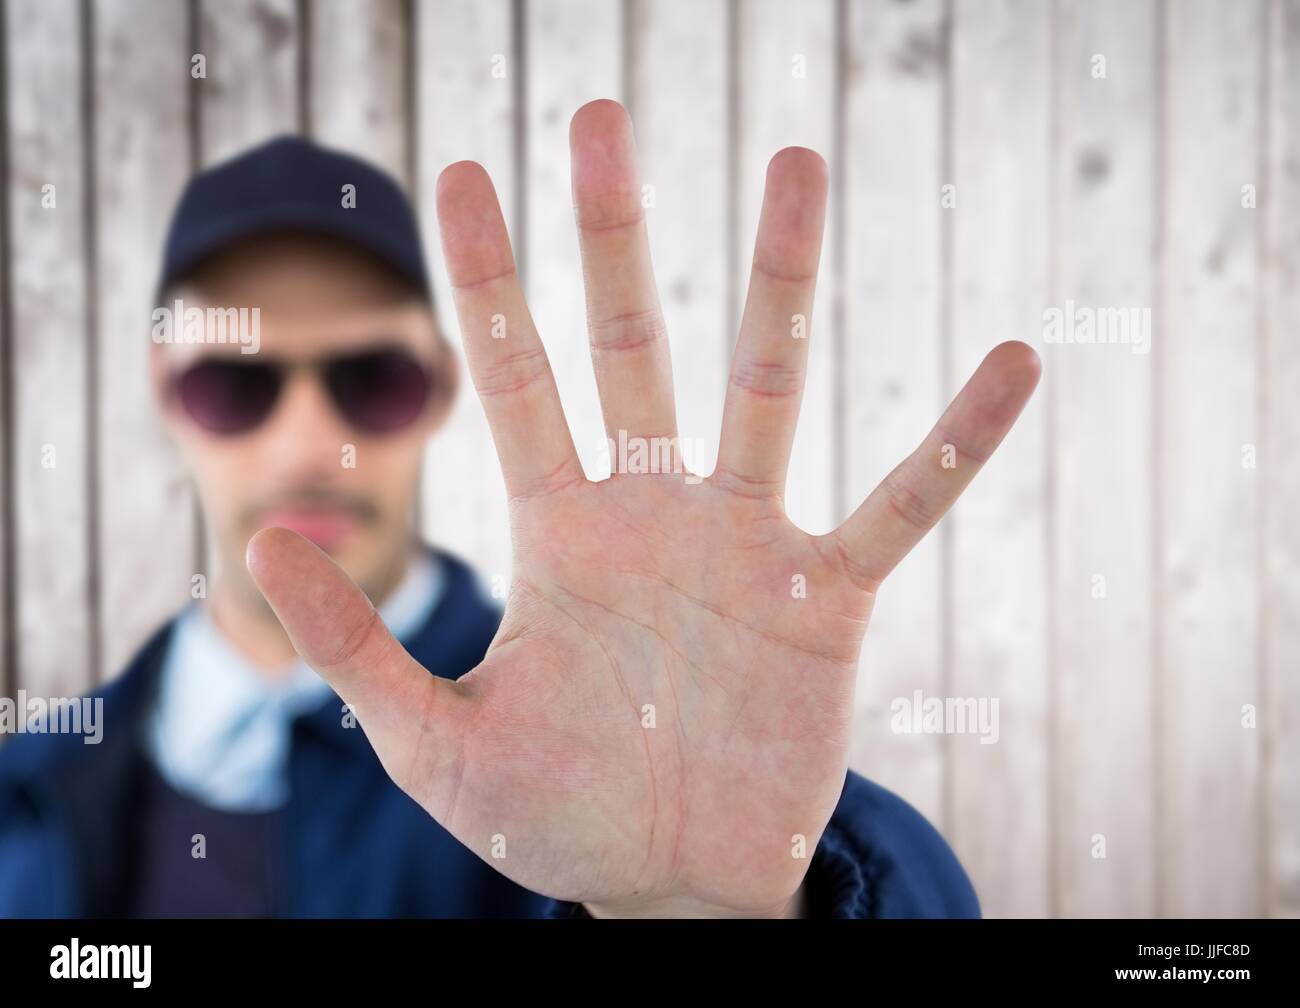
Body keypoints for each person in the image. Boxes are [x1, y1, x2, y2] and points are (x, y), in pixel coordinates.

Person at [0, 99, 1038, 918]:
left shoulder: (597, 730)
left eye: (370, 379)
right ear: (161, 393)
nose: (309, 440)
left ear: (444, 386)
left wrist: (703, 916)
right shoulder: (27, 792)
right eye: (236, 383)